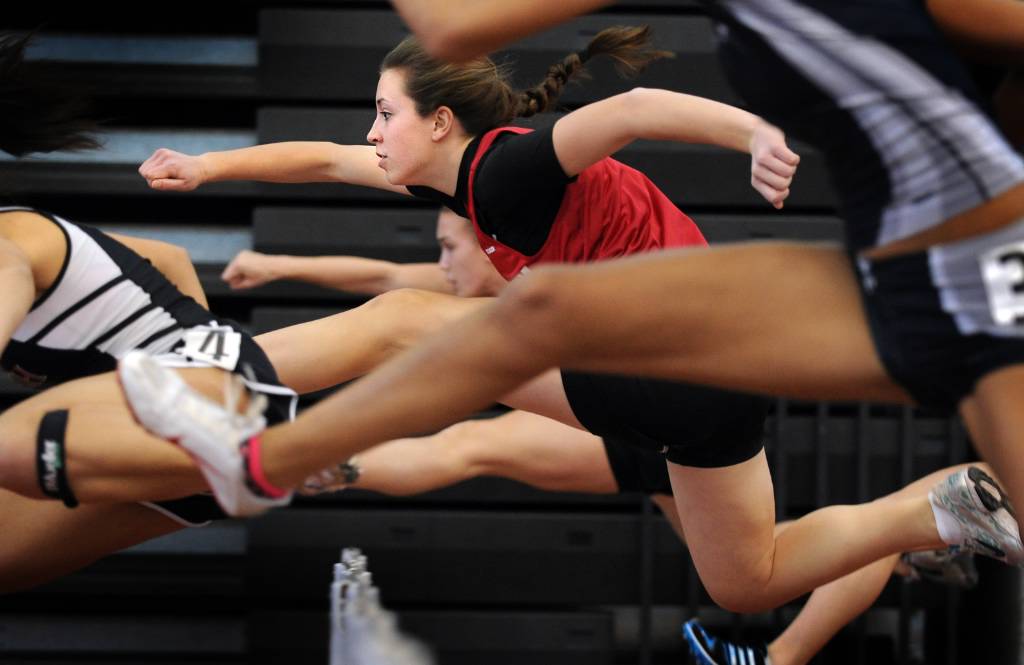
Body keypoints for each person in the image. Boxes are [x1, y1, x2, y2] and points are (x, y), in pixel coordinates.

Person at [128, 21, 1023, 623]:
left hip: (673, 360)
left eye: (384, 113)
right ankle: (940, 509)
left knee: (411, 321)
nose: (369, 132)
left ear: (440, 123)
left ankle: (211, 371)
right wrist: (207, 169)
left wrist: (751, 132)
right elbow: (323, 160)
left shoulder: (505, 172)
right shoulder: (449, 177)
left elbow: (630, 111)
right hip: (703, 387)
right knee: (746, 580)